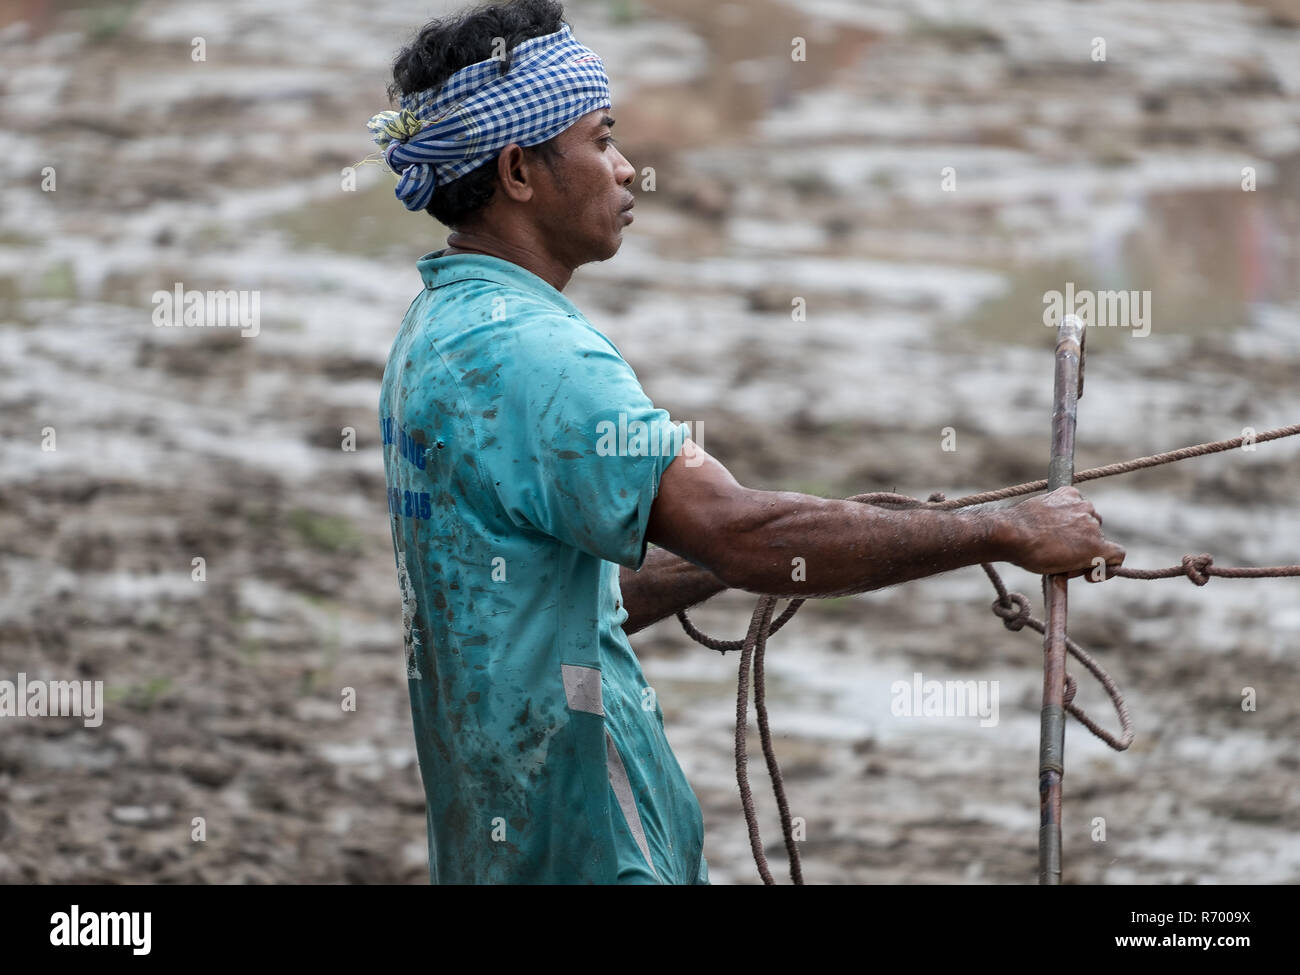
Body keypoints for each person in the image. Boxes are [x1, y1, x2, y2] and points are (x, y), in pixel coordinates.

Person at [372, 0, 1125, 885]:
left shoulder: (439, 330)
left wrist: (734, 560)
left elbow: (553, 590)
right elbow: (740, 528)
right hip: (586, 847)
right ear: (519, 171)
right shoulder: (540, 355)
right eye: (601, 140)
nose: (627, 168)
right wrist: (997, 529)